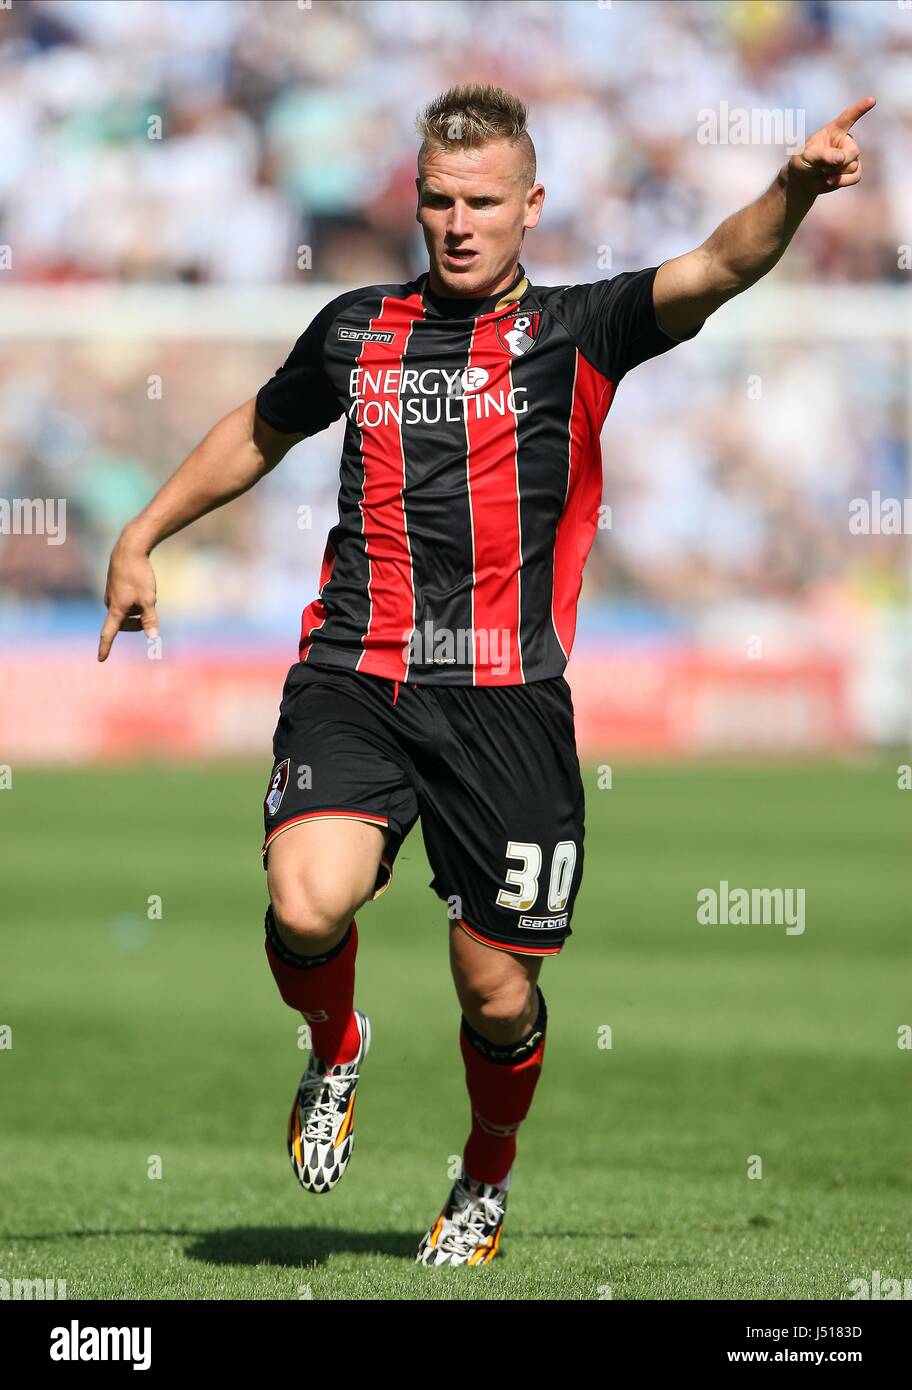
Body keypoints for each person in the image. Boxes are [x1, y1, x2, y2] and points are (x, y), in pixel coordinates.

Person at [99, 82, 874, 1267]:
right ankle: (337, 1041)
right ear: (416, 201)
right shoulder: (358, 327)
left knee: (496, 995)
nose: (459, 223)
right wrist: (142, 534)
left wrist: (794, 189)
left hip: (509, 703)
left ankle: (484, 1176)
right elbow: (262, 427)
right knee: (308, 901)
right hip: (356, 669)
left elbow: (718, 266)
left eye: (484, 203)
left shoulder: (581, 330)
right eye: (439, 201)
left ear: (531, 205)